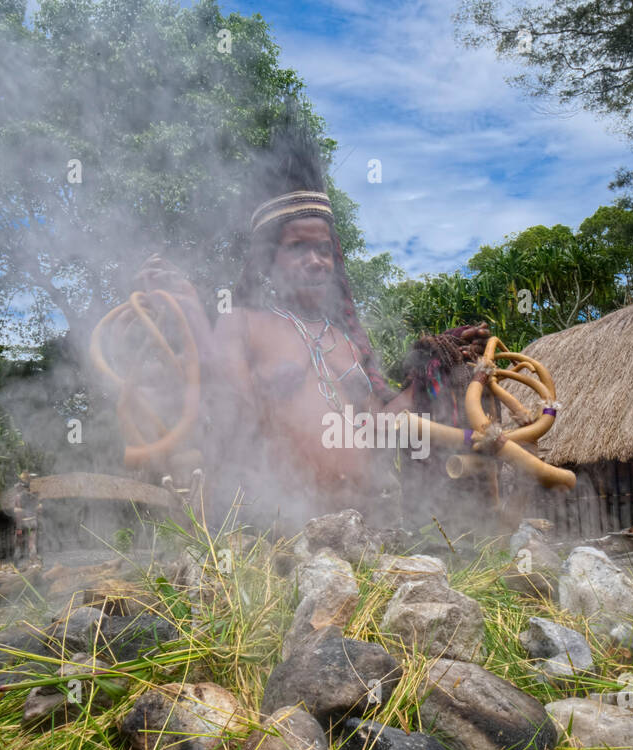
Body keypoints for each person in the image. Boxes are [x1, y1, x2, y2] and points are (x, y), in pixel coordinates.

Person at [149, 122, 487, 526]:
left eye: (324, 249)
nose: (316, 260)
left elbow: (381, 427)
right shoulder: (242, 324)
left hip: (362, 526)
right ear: (267, 261)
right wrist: (189, 311)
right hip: (276, 524)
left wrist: (433, 362)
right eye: (298, 247)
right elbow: (225, 408)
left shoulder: (345, 342)